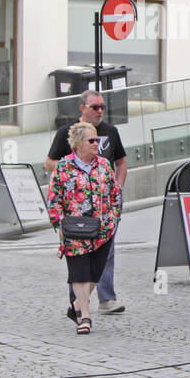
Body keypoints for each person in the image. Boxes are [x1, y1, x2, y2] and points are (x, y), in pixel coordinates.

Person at [46, 90, 127, 318]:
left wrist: (117, 190)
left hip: (104, 209)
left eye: (102, 106)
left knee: (104, 256)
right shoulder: (67, 133)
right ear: (82, 108)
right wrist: (72, 171)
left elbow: (121, 161)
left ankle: (102, 299)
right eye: (95, 107)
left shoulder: (111, 132)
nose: (100, 111)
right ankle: (81, 307)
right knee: (80, 261)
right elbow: (49, 163)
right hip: (76, 213)